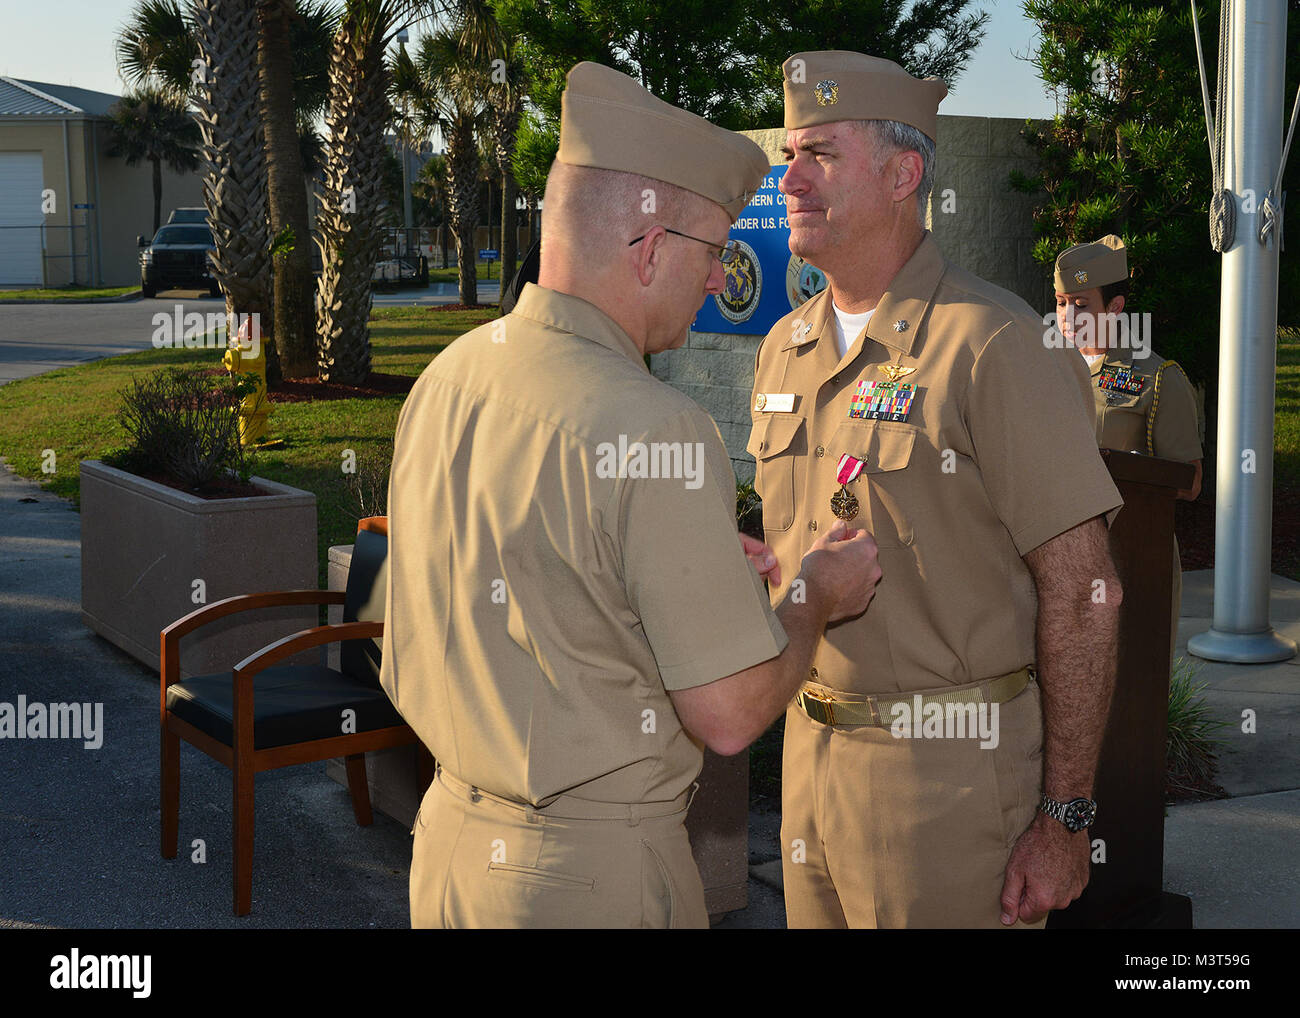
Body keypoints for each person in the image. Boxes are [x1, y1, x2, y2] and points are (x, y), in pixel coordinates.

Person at [380, 61, 882, 929]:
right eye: (717, 254)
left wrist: (650, 571)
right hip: (589, 879)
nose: (719, 280)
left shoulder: (450, 376)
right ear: (651, 249)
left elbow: (514, 577)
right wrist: (814, 597)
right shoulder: (655, 428)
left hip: (450, 855)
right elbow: (728, 717)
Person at [750, 50, 1125, 928]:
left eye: (821, 156)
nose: (791, 177)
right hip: (804, 764)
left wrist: (1066, 818)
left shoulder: (995, 346)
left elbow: (1086, 593)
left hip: (948, 785)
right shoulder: (786, 346)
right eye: (791, 153)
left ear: (903, 173)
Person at [1054, 234, 1203, 655]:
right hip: (1052, 554)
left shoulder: (1158, 378)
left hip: (1129, 554)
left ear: (1115, 308)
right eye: (1061, 302)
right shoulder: (1040, 371)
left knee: (1127, 691)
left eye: (1081, 303)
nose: (1067, 316)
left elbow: (1189, 481)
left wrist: (1132, 472)